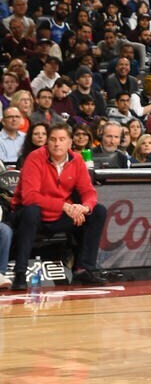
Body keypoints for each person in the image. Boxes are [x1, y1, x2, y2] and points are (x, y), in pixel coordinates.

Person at [8, 121, 108, 289]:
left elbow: (89, 192)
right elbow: (29, 197)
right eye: (53, 139)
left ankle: (83, 269)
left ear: (70, 142)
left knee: (98, 211)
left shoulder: (77, 160)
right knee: (31, 211)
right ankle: (20, 273)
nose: (57, 143)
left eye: (62, 139)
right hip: (29, 214)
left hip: (59, 215)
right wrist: (65, 206)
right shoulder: (35, 157)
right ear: (47, 141)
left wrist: (84, 207)